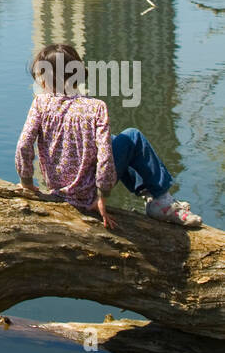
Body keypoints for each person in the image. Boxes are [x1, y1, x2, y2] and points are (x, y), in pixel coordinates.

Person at [15, 41, 202, 229]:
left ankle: (152, 195)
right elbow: (104, 157)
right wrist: (101, 196)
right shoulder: (96, 108)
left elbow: (24, 145)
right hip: (87, 194)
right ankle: (161, 200)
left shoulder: (40, 104)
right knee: (132, 137)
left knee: (114, 141)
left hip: (57, 190)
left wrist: (27, 182)